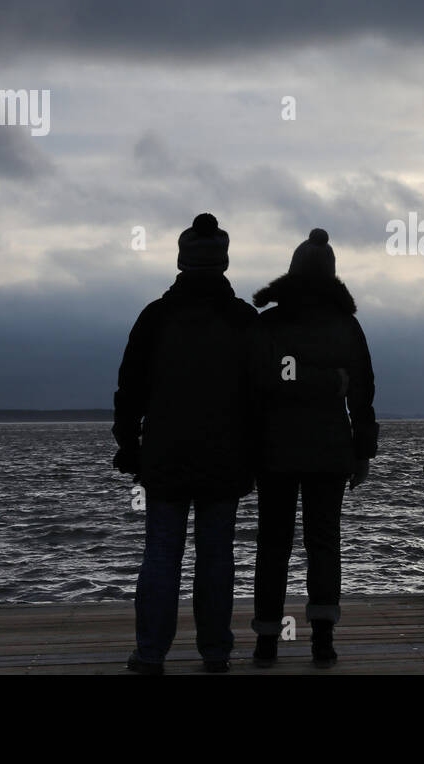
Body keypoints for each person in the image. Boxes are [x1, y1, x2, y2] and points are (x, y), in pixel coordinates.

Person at [111, 212, 257, 674]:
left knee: (161, 553)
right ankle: (215, 653)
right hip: (225, 456)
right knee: (216, 555)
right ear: (224, 262)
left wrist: (129, 445)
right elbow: (260, 394)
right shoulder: (242, 319)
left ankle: (150, 653)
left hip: (165, 455)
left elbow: (129, 389)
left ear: (181, 260)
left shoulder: (155, 316)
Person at [250, 228, 377, 668]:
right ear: (332, 275)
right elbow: (362, 392)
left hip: (275, 452)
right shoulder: (346, 327)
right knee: (324, 542)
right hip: (328, 451)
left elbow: (258, 384)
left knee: (273, 544)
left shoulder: (268, 325)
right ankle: (322, 639)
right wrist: (362, 450)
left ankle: (267, 640)